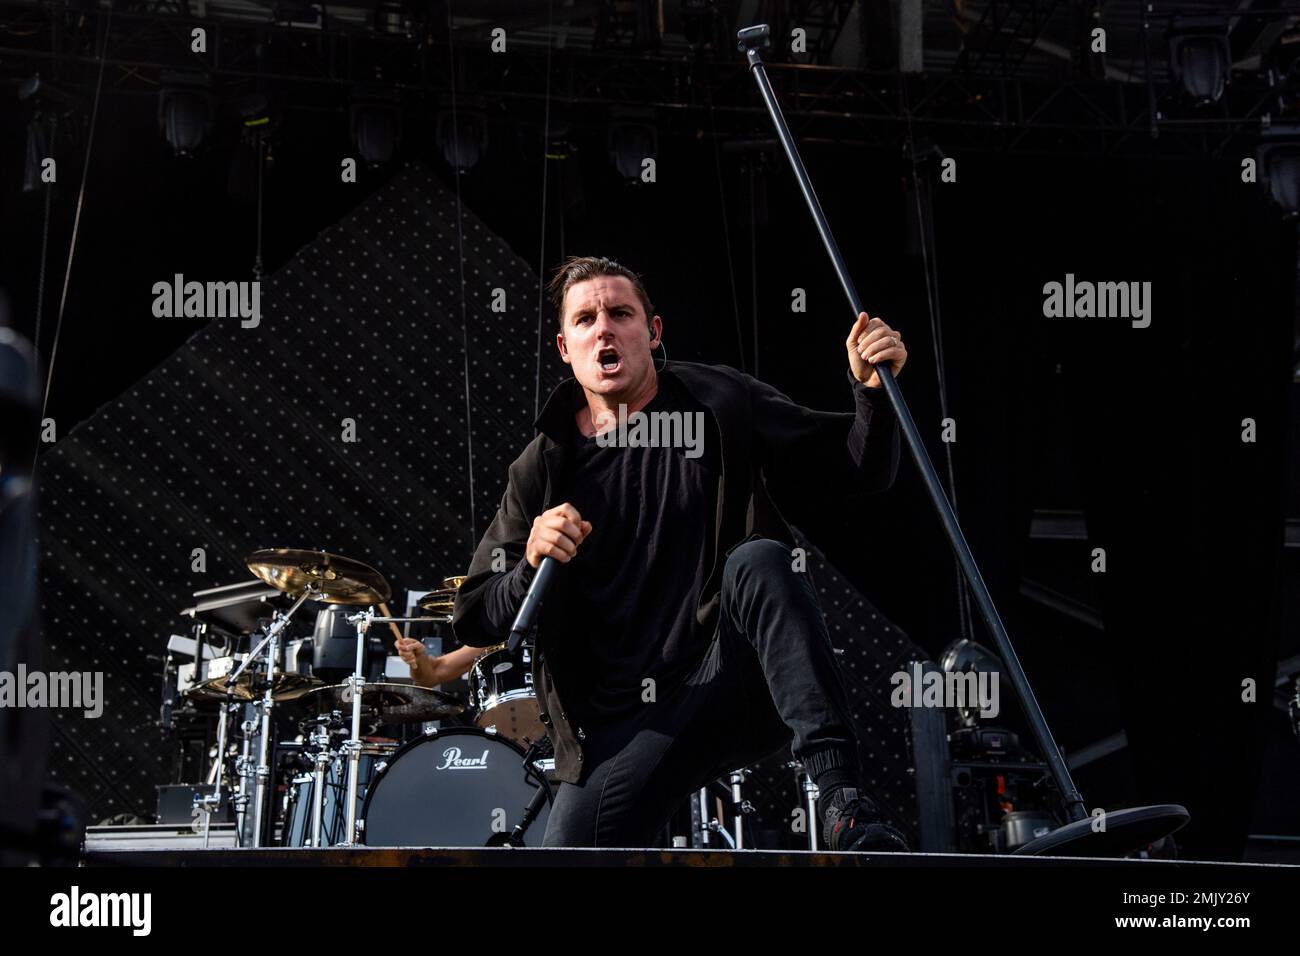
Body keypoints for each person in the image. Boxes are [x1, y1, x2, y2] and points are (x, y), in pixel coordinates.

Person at [450, 255, 909, 851]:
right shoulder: (543, 465)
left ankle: (844, 803)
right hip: (621, 725)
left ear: (653, 331)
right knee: (566, 860)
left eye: (621, 313)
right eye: (587, 319)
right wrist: (531, 561)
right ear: (566, 347)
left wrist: (872, 391)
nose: (605, 329)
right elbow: (475, 614)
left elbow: (858, 468)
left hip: (724, 676)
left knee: (759, 561)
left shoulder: (720, 400)